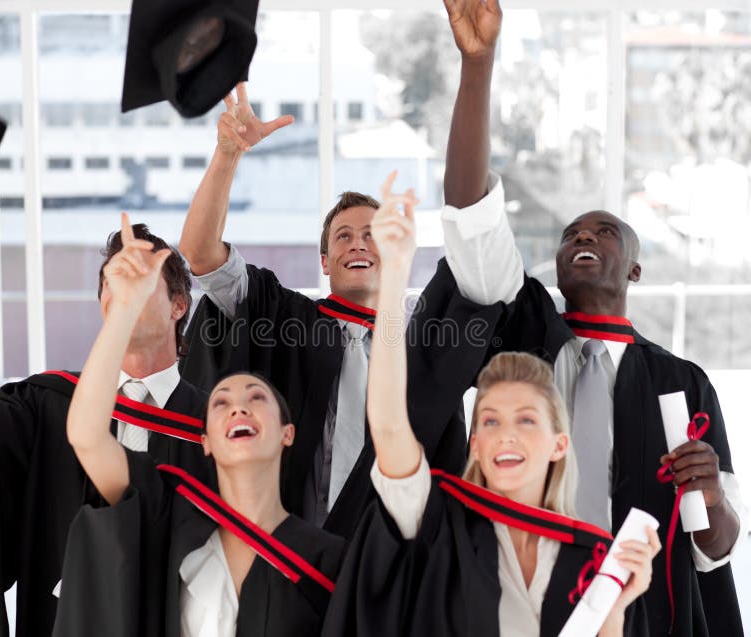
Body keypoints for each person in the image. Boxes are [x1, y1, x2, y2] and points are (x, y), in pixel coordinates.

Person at [444, 25, 749, 635]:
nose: (582, 236)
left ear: (634, 268)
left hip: (642, 614)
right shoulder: (517, 345)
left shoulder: (682, 382)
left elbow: (714, 550)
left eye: (603, 232)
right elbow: (471, 216)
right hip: (518, 602)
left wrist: (711, 497)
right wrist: (478, 66)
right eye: (570, 234)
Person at [177, 0, 512, 540]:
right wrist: (227, 157)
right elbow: (199, 257)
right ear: (326, 261)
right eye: (344, 237)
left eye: (375, 234)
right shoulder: (281, 319)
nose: (361, 245)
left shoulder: (429, 338)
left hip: (401, 559)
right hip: (292, 548)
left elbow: (471, 222)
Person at [322, 181, 660, 637]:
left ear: (561, 442)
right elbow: (387, 418)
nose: (507, 435)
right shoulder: (435, 518)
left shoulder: (588, 559)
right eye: (491, 420)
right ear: (474, 444)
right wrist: (396, 274)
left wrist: (615, 609)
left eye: (526, 420)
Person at [61, 215, 344, 637]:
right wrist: (122, 311)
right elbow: (87, 435)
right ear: (205, 440)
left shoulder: (328, 558)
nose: (238, 408)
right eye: (222, 402)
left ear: (289, 432)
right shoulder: (174, 515)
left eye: (257, 397)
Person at [0, 221, 210, 637]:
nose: (122, 292)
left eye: (139, 279)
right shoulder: (45, 403)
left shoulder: (216, 426)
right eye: (112, 283)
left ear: (179, 305)